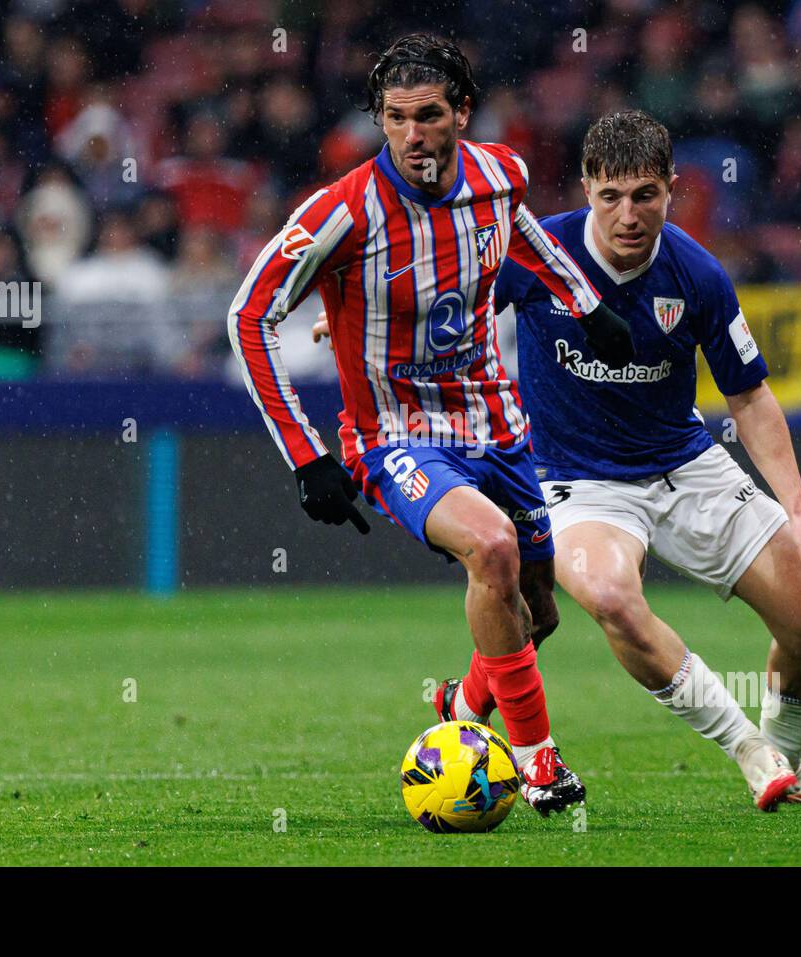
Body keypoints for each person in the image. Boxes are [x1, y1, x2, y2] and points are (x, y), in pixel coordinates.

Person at [317, 111, 801, 809]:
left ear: (672, 189)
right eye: (611, 196)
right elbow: (445, 294)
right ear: (586, 189)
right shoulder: (536, 250)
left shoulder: (697, 273)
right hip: (576, 482)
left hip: (686, 464)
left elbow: (751, 397)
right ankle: (750, 750)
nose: (628, 215)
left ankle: (788, 764)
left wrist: (800, 510)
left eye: (645, 195)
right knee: (607, 596)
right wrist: (365, 317)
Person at [228, 34, 635, 816]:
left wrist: (587, 306)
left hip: (496, 421)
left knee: (538, 611)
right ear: (379, 121)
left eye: (429, 115)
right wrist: (307, 455)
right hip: (394, 434)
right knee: (492, 547)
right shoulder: (343, 212)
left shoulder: (500, 175)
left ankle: (461, 706)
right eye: (395, 118)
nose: (412, 134)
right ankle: (540, 763)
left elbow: (522, 237)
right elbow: (249, 313)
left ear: (463, 116)